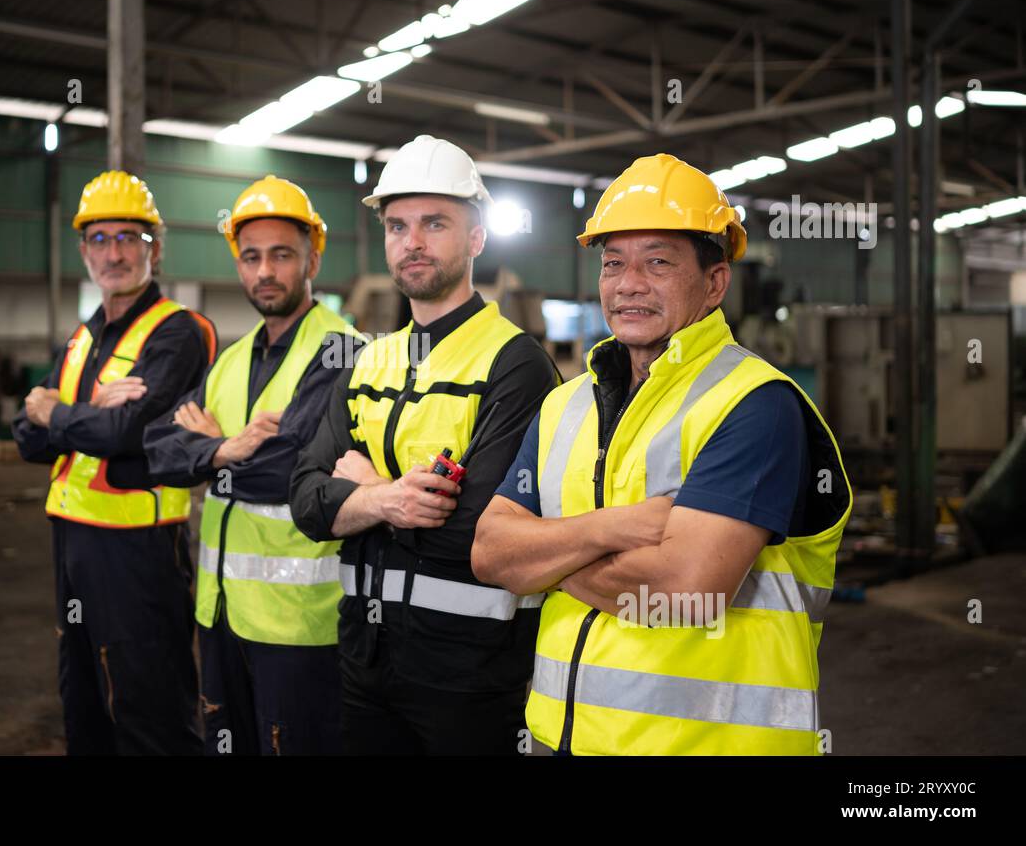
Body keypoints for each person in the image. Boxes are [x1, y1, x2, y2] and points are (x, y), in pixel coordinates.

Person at [472, 153, 853, 755]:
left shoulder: (754, 404)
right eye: (613, 263)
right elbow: (490, 554)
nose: (629, 284)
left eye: (658, 262)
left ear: (715, 282)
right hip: (555, 738)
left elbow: (683, 595)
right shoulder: (564, 405)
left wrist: (546, 559)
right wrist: (617, 528)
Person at [289, 135, 560, 755]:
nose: (412, 242)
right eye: (397, 225)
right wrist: (395, 500)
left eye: (434, 223)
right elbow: (305, 501)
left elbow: (475, 534)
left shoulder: (516, 365)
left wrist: (362, 491)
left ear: (476, 238)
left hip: (470, 676)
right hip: (364, 659)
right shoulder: (364, 362)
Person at [145, 175, 361, 755]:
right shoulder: (231, 359)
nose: (265, 271)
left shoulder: (345, 351)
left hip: (299, 624)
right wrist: (223, 448)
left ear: (314, 255)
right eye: (251, 257)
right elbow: (158, 452)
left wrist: (215, 453)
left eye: (281, 255)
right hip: (219, 612)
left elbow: (295, 471)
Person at [13, 170, 215, 755]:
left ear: (155, 247)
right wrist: (79, 416)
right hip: (72, 544)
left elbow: (129, 430)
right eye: (99, 239)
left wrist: (60, 415)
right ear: (83, 251)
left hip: (140, 551)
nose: (115, 252)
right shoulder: (82, 337)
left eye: (129, 236)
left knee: (150, 707)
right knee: (83, 701)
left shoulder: (179, 333)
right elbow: (26, 435)